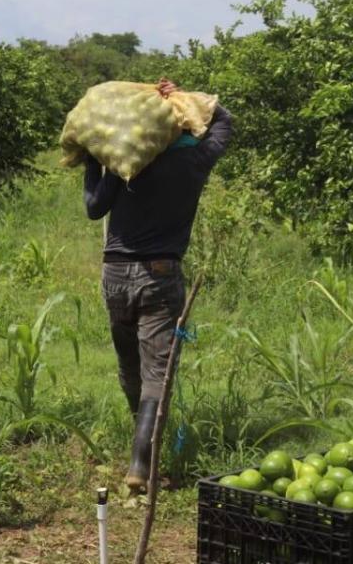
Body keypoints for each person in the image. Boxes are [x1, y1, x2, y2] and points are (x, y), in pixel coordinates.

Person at [82, 78, 233, 491]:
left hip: (115, 273)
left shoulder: (126, 159)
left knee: (130, 366)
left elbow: (94, 209)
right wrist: (178, 95)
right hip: (162, 275)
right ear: (179, 127)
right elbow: (224, 119)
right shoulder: (197, 160)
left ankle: (140, 450)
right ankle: (140, 463)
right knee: (157, 373)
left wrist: (92, 161)